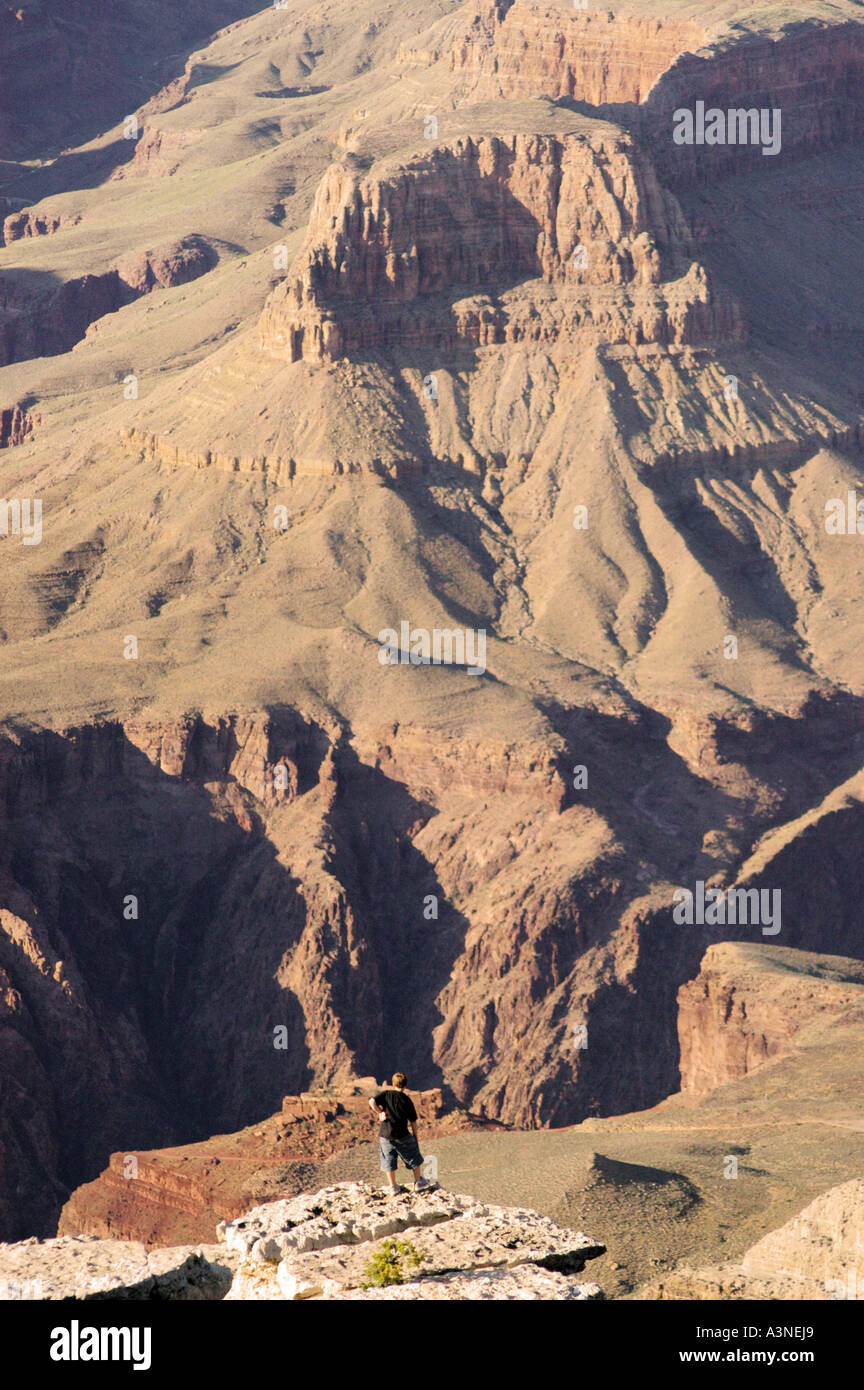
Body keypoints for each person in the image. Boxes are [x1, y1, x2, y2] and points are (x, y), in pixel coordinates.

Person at [370, 1072, 432, 1195]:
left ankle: (393, 1186)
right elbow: (413, 1121)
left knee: (388, 1159)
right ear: (405, 1085)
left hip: (385, 1135)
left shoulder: (386, 1094)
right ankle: (418, 1182)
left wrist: (379, 1113)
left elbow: (371, 1101)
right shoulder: (407, 1100)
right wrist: (415, 1137)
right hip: (402, 1135)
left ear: (393, 1084)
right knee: (414, 1156)